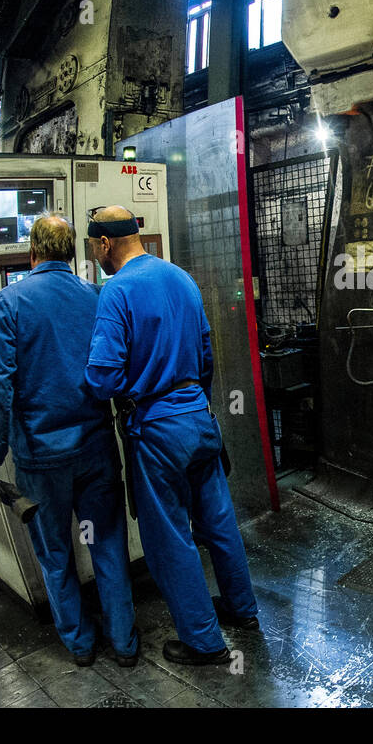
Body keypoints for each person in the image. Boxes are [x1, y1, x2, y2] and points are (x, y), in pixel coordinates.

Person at [84, 205, 260, 666]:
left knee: (171, 539)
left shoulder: (115, 291)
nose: (94, 254)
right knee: (220, 523)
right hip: (200, 419)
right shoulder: (182, 278)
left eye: (93, 246)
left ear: (104, 243)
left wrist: (135, 388)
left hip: (157, 430)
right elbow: (206, 355)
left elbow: (102, 378)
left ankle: (204, 642)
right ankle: (243, 610)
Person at [0, 214, 138, 668]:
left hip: (41, 458)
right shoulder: (97, 295)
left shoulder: (9, 303)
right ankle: (124, 642)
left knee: (56, 555)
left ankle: (80, 645)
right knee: (107, 544)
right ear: (71, 253)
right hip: (97, 448)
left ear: (33, 254)